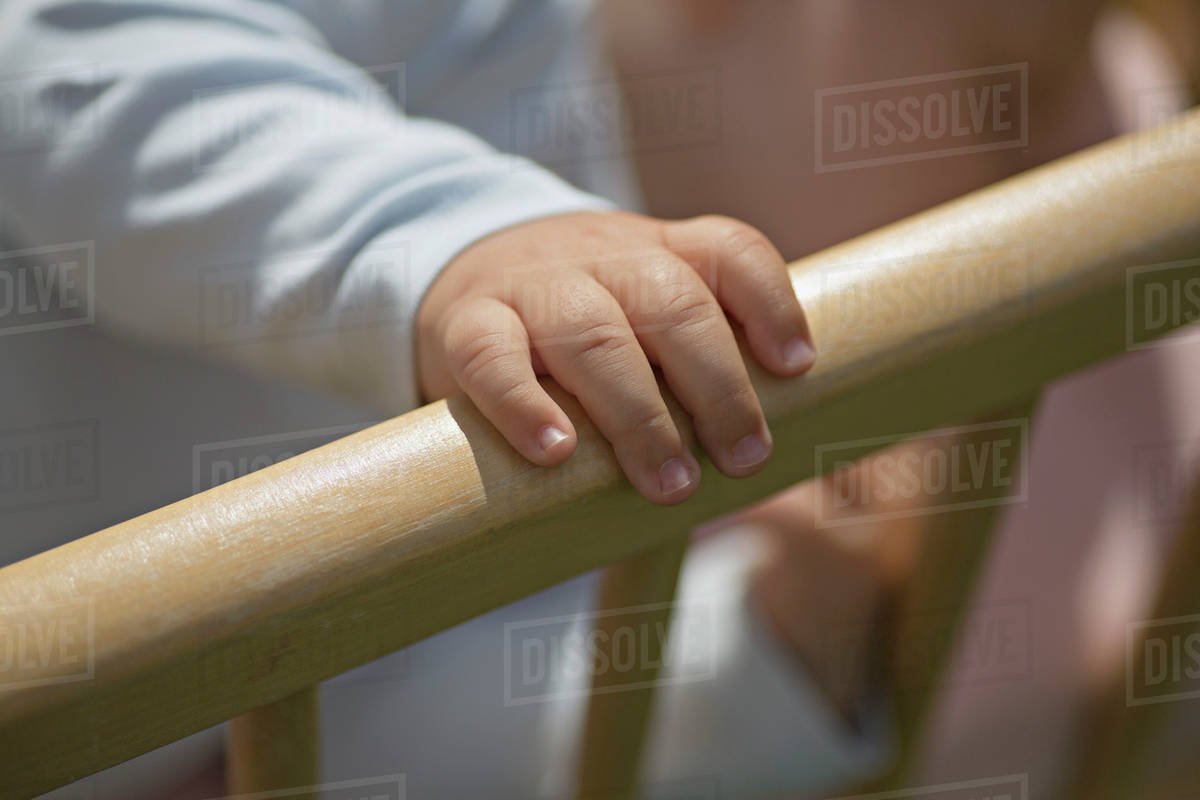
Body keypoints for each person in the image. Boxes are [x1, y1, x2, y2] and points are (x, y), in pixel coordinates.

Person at [0, 2, 889, 798]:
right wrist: (454, 235)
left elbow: (368, 734)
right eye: (1008, 86)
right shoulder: (485, 32)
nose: (997, 183)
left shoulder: (649, 387)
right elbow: (79, 55)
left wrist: (766, 651)